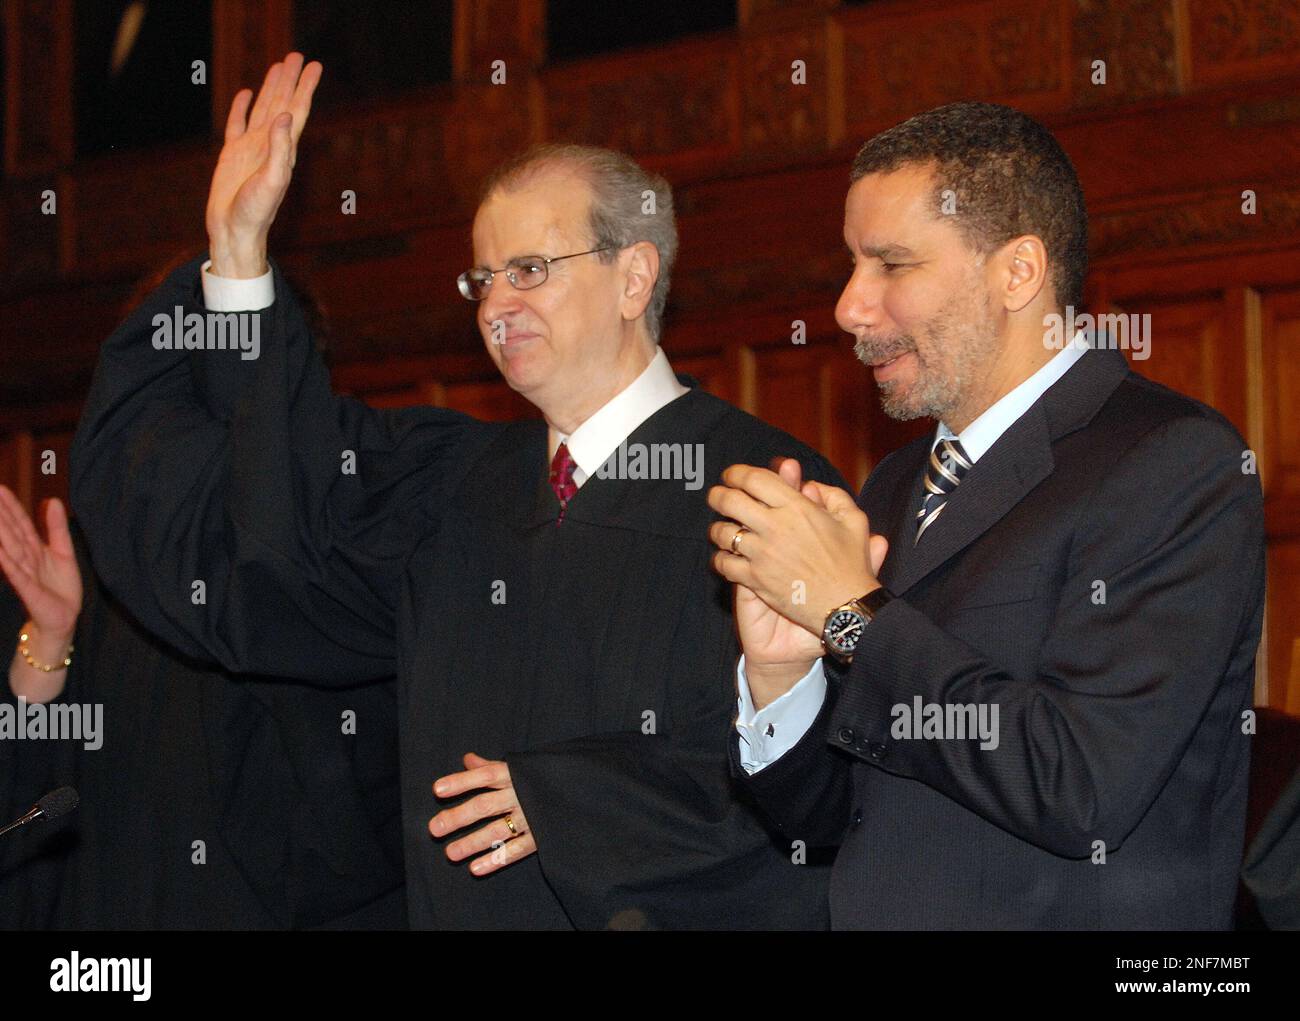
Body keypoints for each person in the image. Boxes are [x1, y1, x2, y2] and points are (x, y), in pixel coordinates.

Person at [71, 53, 836, 929]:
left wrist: (561, 799)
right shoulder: (451, 487)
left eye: (530, 270)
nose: (495, 306)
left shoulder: (763, 491)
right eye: (481, 280)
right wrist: (238, 258)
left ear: (634, 277)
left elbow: (810, 790)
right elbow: (280, 534)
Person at [708, 101, 1265, 929]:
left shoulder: (1174, 461)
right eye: (853, 265)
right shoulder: (899, 479)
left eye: (891, 265)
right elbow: (838, 819)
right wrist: (785, 675)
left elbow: (1082, 787)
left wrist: (852, 615)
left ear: (1017, 272)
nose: (849, 308)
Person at [0, 483, 406, 930]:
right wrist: (49, 642)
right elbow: (30, 799)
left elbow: (362, 833)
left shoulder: (350, 554)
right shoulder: (91, 558)